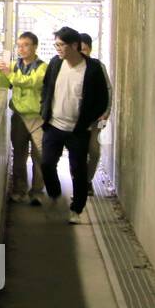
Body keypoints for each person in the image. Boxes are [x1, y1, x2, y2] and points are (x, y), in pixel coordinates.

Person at [40, 26, 111, 223]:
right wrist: (43, 111)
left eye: (61, 45)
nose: (58, 49)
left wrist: (89, 121)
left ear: (74, 46)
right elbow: (46, 88)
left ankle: (76, 209)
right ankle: (54, 194)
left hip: (78, 130)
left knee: (78, 170)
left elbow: (102, 99)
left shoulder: (93, 68)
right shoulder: (55, 63)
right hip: (53, 125)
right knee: (46, 163)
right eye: (56, 44)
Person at [0, 31, 47, 204]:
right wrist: (0, 68)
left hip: (38, 118)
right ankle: (19, 190)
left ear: (35, 46)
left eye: (26, 45)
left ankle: (37, 192)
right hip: (19, 117)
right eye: (19, 45)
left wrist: (9, 74)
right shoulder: (14, 65)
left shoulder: (43, 67)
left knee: (40, 155)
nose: (22, 49)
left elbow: (33, 82)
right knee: (19, 155)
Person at [78, 33, 111, 186]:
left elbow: (107, 90)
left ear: (90, 50)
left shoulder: (98, 67)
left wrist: (106, 113)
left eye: (84, 49)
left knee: (94, 151)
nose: (81, 52)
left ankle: (87, 180)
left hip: (95, 119)